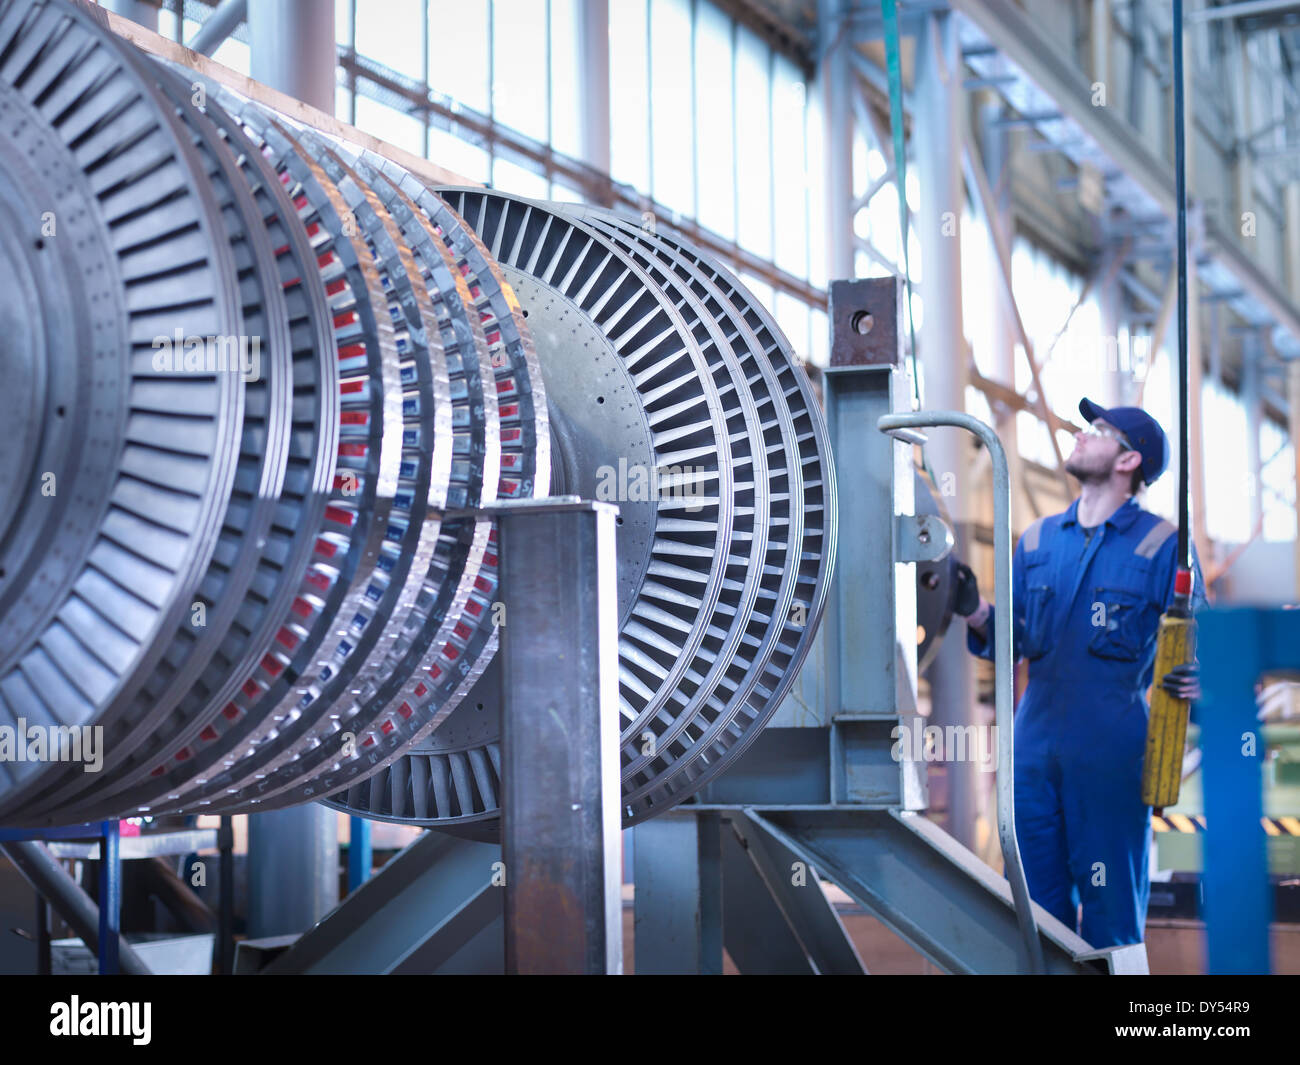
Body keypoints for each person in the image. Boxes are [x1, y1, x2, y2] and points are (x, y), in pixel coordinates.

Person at [952, 398, 1206, 949]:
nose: (1082, 435)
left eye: (1099, 431)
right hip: (1033, 749)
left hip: (1112, 751)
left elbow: (1201, 642)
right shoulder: (1038, 541)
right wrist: (972, 608)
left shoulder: (1164, 547)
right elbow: (1012, 642)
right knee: (1037, 917)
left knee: (1112, 915)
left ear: (1128, 460)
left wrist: (1200, 679)